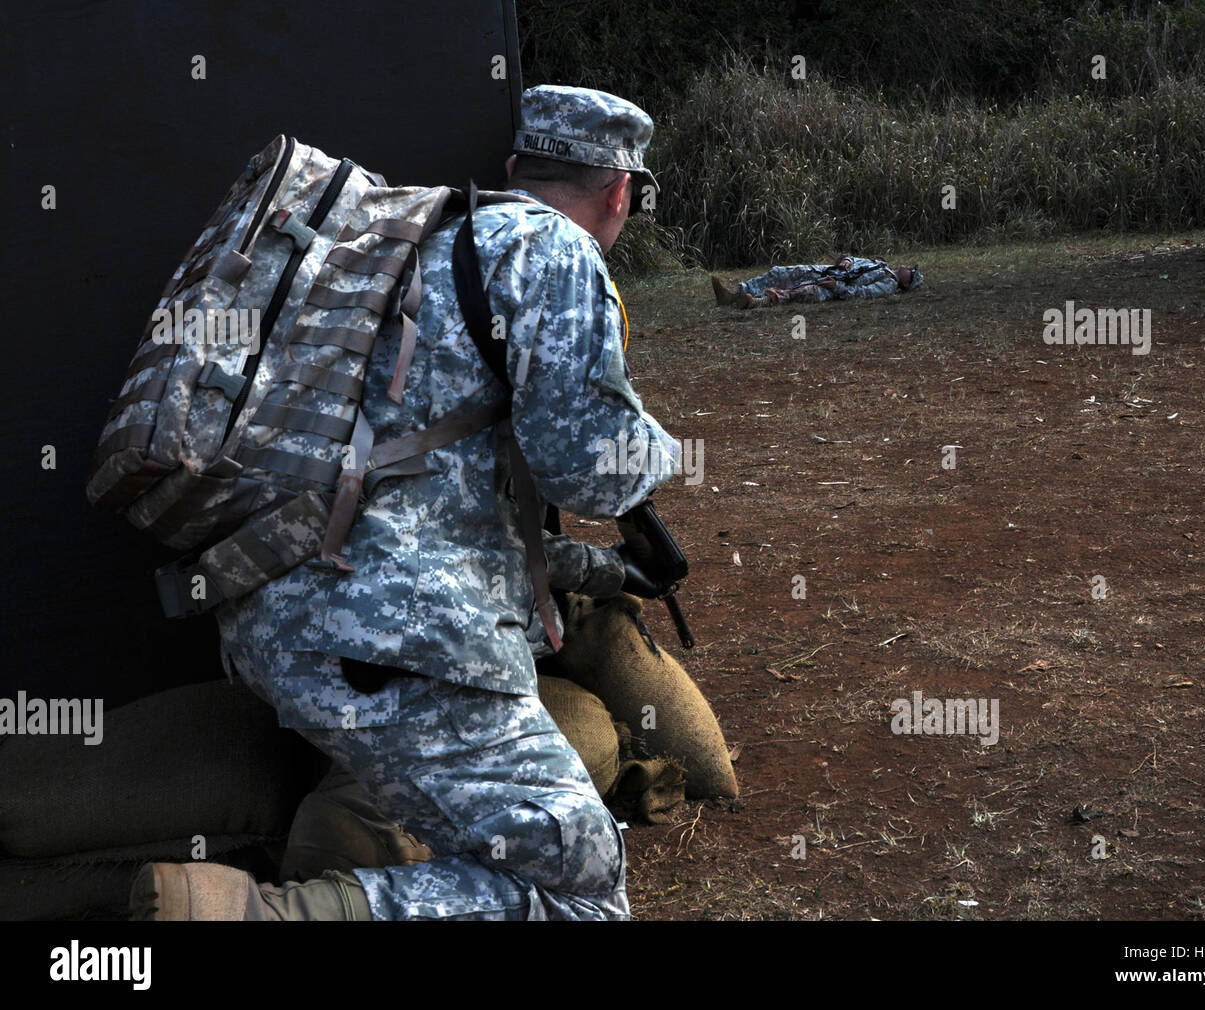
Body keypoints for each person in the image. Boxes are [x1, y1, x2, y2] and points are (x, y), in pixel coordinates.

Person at [130, 85, 681, 921]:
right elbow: (592, 472)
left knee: (477, 837)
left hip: (281, 609)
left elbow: (441, 497)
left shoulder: (407, 247)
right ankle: (259, 918)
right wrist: (665, 452)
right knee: (583, 893)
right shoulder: (553, 253)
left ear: (513, 169)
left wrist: (602, 570)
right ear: (619, 192)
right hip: (402, 642)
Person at [711, 254, 922, 308]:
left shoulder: (888, 283)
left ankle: (757, 302)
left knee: (805, 291)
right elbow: (852, 257)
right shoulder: (881, 264)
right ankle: (737, 293)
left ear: (905, 284)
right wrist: (847, 260)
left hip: (833, 287)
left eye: (911, 274)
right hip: (829, 271)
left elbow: (860, 294)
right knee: (783, 272)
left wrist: (835, 286)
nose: (909, 268)